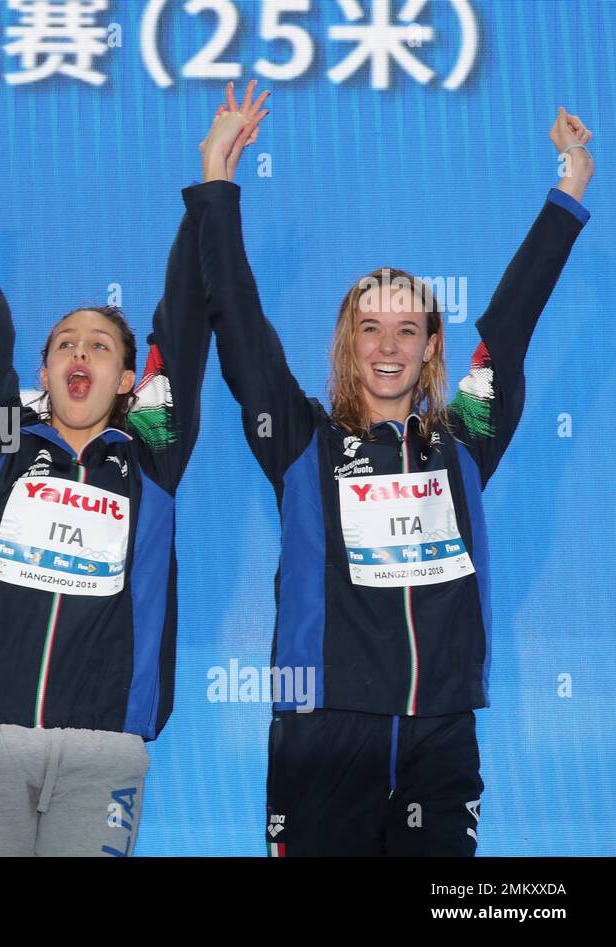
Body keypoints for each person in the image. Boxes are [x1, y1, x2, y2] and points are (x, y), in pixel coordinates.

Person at [190, 80, 593, 855]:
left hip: (440, 730)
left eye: (407, 328)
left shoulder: (463, 441)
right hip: (323, 727)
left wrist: (568, 189)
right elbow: (237, 323)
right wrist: (218, 180)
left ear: (432, 346)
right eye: (369, 326)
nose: (387, 345)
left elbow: (510, 326)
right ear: (348, 342)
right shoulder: (301, 440)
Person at [0, 91, 222, 857]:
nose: (80, 354)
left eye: (100, 345)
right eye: (65, 342)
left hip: (104, 747)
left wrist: (210, 189)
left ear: (130, 379)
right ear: (44, 368)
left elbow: (184, 330)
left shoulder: (150, 453)